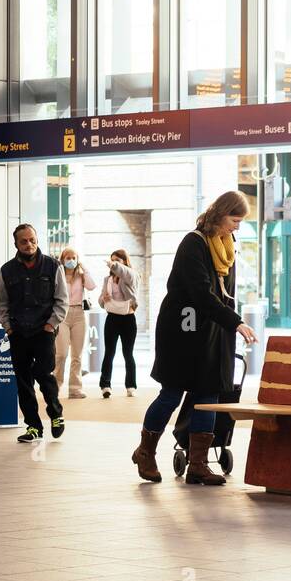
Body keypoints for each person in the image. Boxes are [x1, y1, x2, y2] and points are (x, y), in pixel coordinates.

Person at [132, 191, 255, 485]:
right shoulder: (194, 243)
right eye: (234, 220)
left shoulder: (227, 246)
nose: (237, 227)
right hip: (182, 331)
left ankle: (198, 464)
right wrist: (235, 322)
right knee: (172, 394)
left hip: (212, 331)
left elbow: (225, 294)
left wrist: (229, 326)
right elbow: (201, 293)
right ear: (220, 214)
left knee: (208, 395)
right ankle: (145, 451)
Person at [0, 225, 69, 443]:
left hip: (43, 330)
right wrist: (8, 327)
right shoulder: (7, 270)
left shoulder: (53, 266)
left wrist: (51, 325)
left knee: (44, 374)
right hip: (18, 333)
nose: (29, 244)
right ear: (16, 244)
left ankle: (56, 414)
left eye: (32, 240)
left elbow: (62, 300)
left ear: (37, 239)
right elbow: (2, 302)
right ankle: (34, 427)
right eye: (24, 241)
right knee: (23, 381)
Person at [55, 247, 96, 399]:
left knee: (77, 355)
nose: (71, 260)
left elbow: (92, 286)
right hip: (62, 315)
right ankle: (56, 386)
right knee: (61, 354)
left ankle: (75, 389)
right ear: (63, 259)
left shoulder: (81, 275)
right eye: (68, 257)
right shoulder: (58, 274)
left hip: (79, 314)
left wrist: (84, 269)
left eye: (74, 257)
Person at [98, 249, 140, 398]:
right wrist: (104, 298)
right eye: (112, 260)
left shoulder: (131, 276)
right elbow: (100, 302)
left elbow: (125, 272)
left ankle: (130, 385)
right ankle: (105, 385)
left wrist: (114, 265)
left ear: (124, 261)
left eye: (117, 260)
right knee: (109, 352)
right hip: (112, 319)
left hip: (128, 319)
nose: (114, 264)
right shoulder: (107, 280)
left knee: (128, 353)